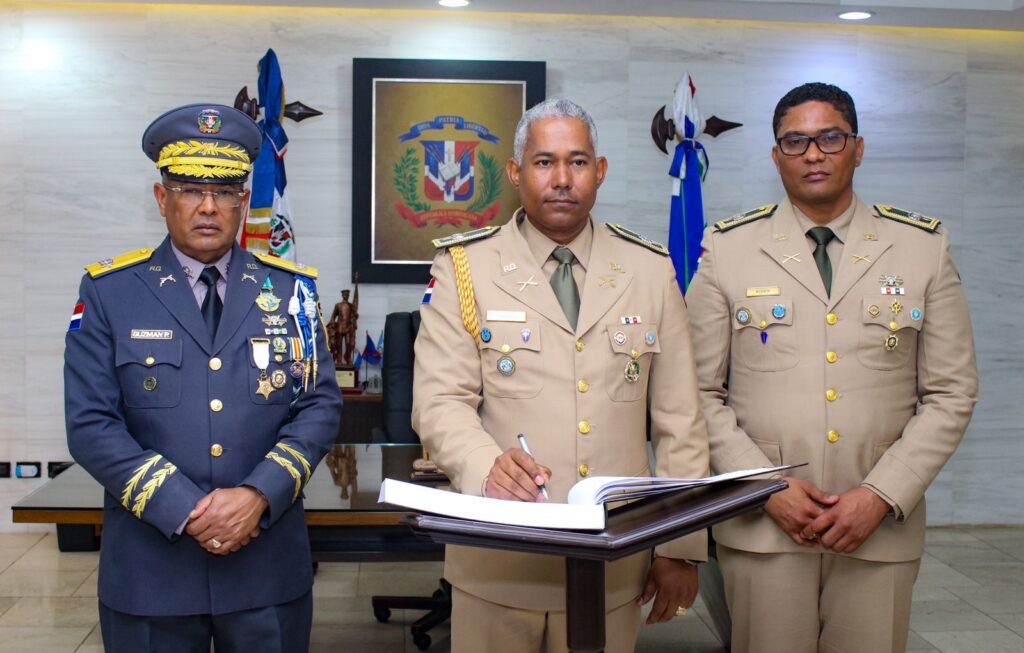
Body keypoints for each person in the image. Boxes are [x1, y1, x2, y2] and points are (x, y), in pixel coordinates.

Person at [685, 82, 978, 653]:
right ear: (776, 156)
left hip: (879, 527)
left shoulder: (922, 248)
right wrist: (764, 488)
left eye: (829, 138)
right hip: (763, 526)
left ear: (858, 148)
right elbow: (696, 392)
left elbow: (952, 392)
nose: (813, 154)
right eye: (795, 142)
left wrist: (880, 494)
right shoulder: (727, 248)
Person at [411, 98, 709, 652]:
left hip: (614, 559)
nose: (562, 179)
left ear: (600, 171)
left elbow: (680, 421)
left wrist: (679, 547)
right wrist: (485, 468)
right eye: (544, 162)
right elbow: (438, 401)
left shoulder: (649, 268)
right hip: (498, 558)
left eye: (577, 162)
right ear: (516, 172)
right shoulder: (464, 268)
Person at [64, 103, 342, 652]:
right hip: (152, 571)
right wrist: (186, 509)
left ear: (244, 201)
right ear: (161, 198)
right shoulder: (110, 292)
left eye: (225, 191)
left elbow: (318, 406)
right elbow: (92, 424)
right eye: (190, 189)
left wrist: (258, 496)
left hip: (265, 567)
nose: (208, 207)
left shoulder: (292, 291)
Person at [327, 286, 358, 366]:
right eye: (345, 294)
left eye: (347, 294)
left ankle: (348, 359)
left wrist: (355, 316)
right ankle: (339, 360)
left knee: (348, 344)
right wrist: (332, 323)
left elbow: (355, 315)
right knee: (339, 345)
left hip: (348, 328)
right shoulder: (338, 305)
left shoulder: (351, 305)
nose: (346, 296)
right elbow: (333, 316)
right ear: (342, 295)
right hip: (340, 328)